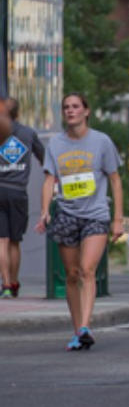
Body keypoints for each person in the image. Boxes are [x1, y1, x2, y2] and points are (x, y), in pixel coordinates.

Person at [35, 93, 123, 350]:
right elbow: (49, 180)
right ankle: (78, 332)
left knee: (87, 269)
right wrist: (44, 211)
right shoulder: (55, 144)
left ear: (86, 111)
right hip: (67, 213)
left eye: (75, 106)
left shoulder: (101, 141)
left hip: (96, 213)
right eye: (66, 107)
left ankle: (85, 327)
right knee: (72, 275)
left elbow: (115, 179)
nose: (70, 111)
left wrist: (118, 219)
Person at [0, 98, 45, 299]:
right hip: (18, 191)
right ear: (18, 113)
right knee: (14, 242)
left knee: (1, 241)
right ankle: (14, 283)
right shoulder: (28, 133)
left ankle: (5, 285)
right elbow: (44, 158)